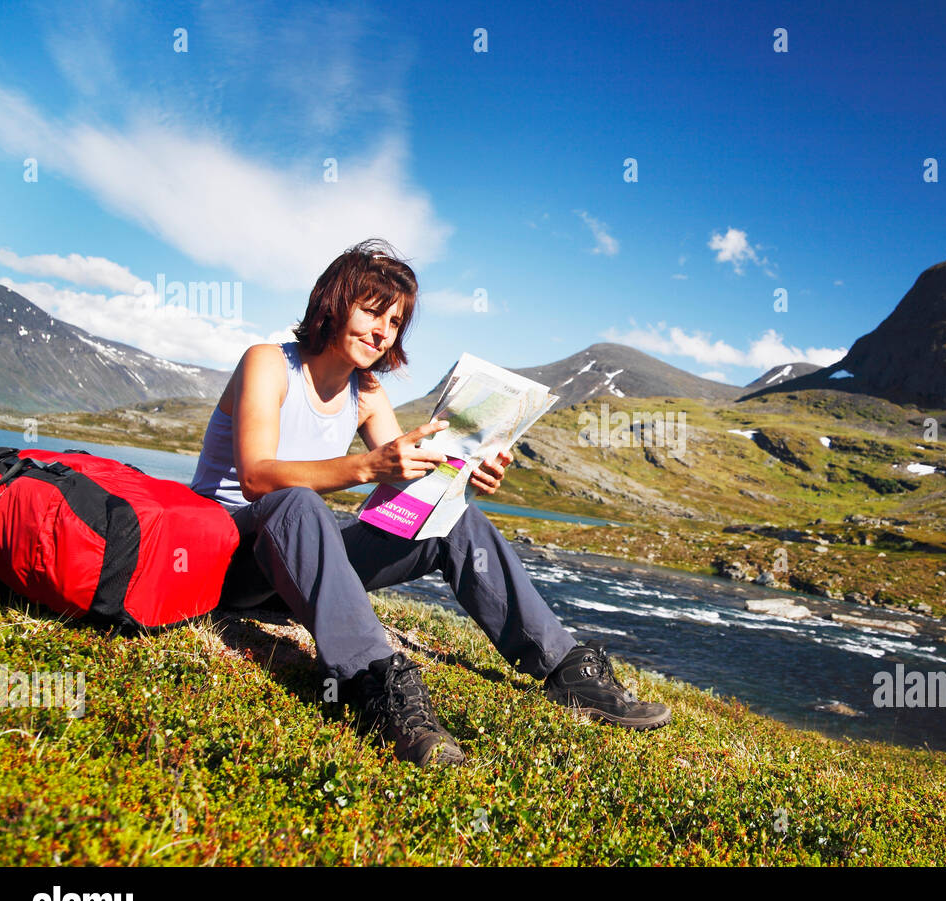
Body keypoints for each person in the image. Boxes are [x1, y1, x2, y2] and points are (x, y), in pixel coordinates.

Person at [191, 238, 670, 767]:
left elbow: (413, 485)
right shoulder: (269, 362)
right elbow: (258, 478)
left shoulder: (366, 391)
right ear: (332, 302)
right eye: (371, 311)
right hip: (227, 562)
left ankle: (564, 670)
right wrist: (367, 467)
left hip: (298, 571)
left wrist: (466, 473)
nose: (382, 331)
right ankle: (375, 688)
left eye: (394, 322)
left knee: (456, 521)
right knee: (298, 504)